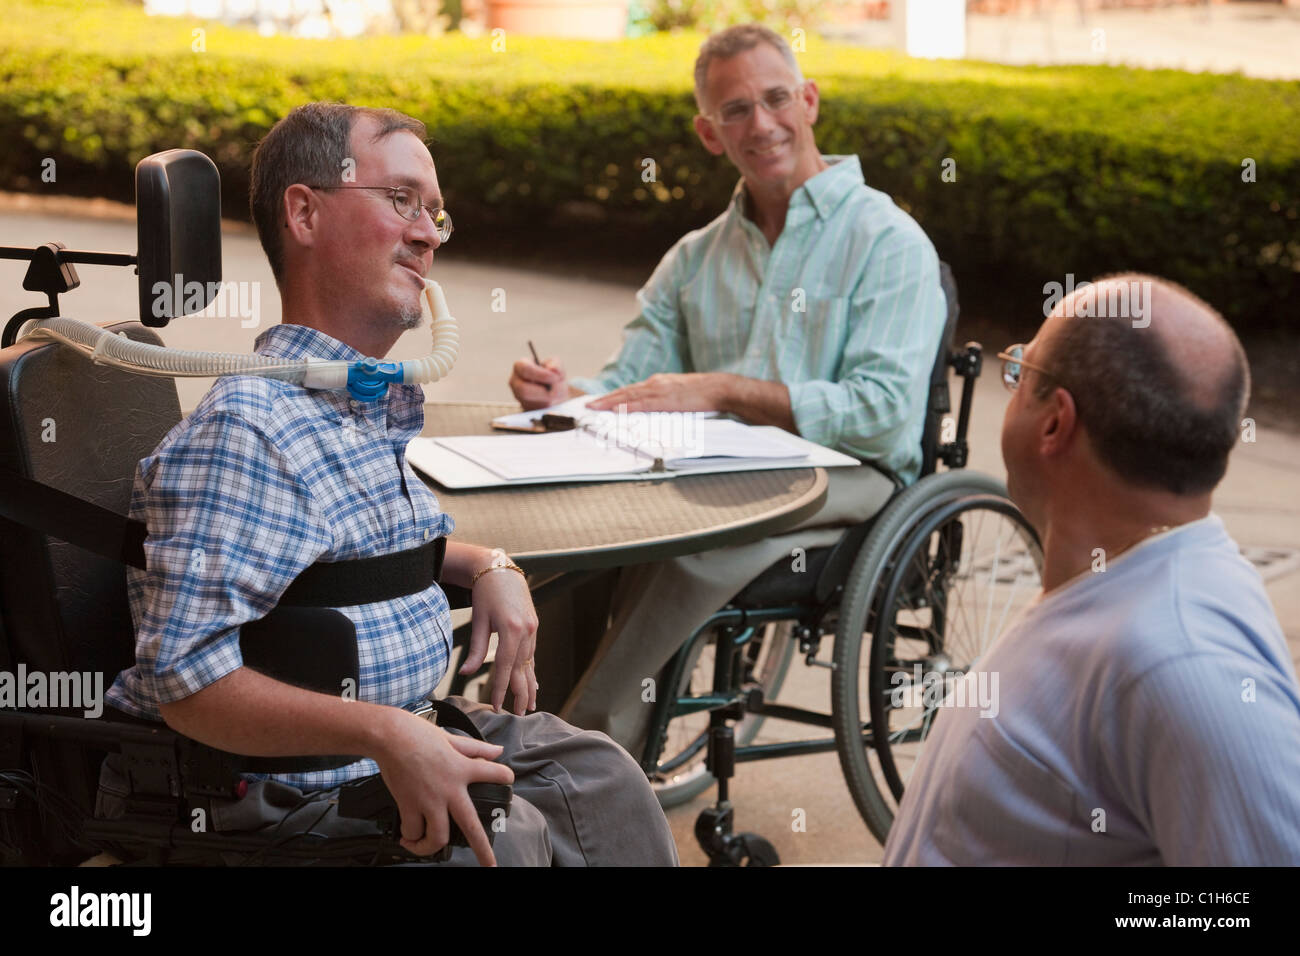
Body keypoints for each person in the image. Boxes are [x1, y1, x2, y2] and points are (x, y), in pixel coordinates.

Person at [99, 102, 679, 867]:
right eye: (402, 200)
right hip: (282, 792)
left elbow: (359, 551)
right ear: (303, 213)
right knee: (511, 838)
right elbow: (182, 678)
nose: (429, 234)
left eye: (437, 215)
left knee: (603, 778)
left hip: (396, 733)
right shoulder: (250, 430)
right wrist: (384, 731)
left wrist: (488, 565)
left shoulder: (353, 403)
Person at [508, 24, 947, 753]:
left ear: (808, 102)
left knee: (685, 548)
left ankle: (580, 759)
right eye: (735, 110)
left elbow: (885, 418)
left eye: (776, 99)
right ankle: (528, 726)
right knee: (574, 529)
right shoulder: (694, 257)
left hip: (846, 472)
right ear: (709, 133)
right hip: (717, 468)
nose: (762, 124)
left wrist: (728, 392)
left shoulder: (888, 241)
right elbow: (636, 381)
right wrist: (567, 394)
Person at [884, 275, 1300, 865]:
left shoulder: (1183, 661)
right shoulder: (1119, 588)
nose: (1012, 383)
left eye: (1020, 371)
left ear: (1055, 422)